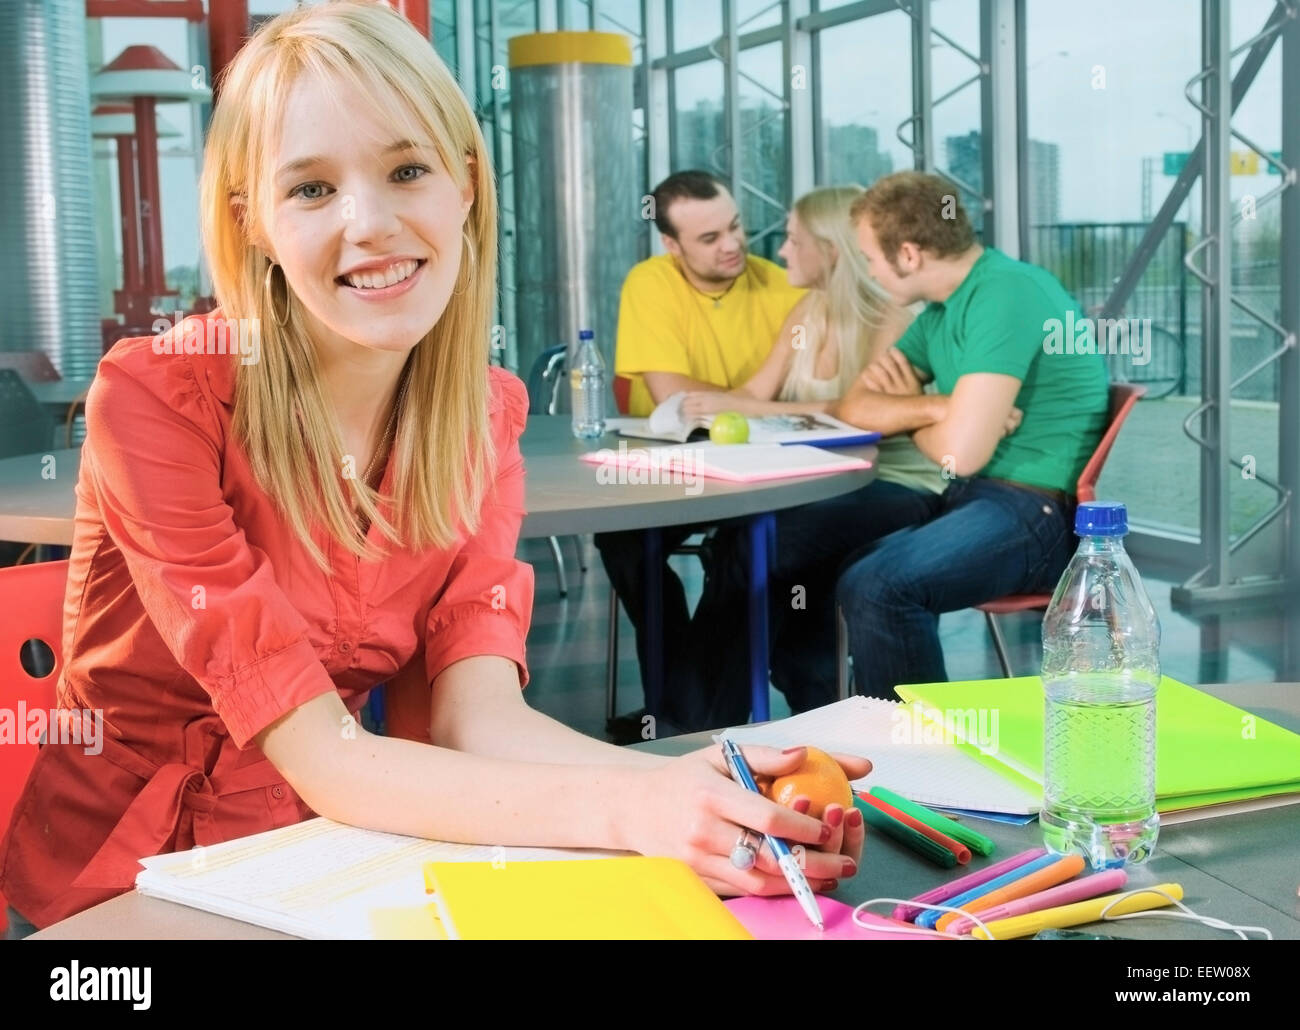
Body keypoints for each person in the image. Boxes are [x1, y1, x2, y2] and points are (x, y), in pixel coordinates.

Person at [0, 2, 865, 937]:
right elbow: (327, 755)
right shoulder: (158, 394)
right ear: (251, 223)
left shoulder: (485, 415)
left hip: (337, 855)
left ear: (462, 185)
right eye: (312, 189)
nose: (369, 224)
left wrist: (694, 788)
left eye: (406, 169)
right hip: (128, 886)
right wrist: (634, 809)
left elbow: (474, 720)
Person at [751, 170, 1109, 704]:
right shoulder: (943, 310)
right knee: (803, 548)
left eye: (871, 258)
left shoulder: (1006, 294)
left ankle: (915, 758)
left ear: (910, 254)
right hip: (972, 499)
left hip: (1036, 515)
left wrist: (912, 417)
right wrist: (934, 409)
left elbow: (960, 454)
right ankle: (824, 715)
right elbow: (856, 406)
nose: (868, 270)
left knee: (879, 587)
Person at [664, 186, 950, 729]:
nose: (781, 252)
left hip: (899, 487)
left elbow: (861, 412)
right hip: (821, 485)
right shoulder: (808, 311)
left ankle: (698, 726)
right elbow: (757, 394)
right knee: (763, 540)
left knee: (771, 541)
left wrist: (748, 405)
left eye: (795, 239)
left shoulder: (891, 318)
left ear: (832, 249)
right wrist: (723, 405)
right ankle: (800, 710)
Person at [595, 170, 804, 738]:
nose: (733, 244)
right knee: (624, 542)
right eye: (710, 238)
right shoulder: (650, 282)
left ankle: (681, 715)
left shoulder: (783, 285)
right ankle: (687, 706)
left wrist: (737, 403)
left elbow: (808, 399)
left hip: (755, 476)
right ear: (672, 244)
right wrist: (758, 395)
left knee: (752, 544)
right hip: (669, 472)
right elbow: (676, 400)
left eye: (735, 226)